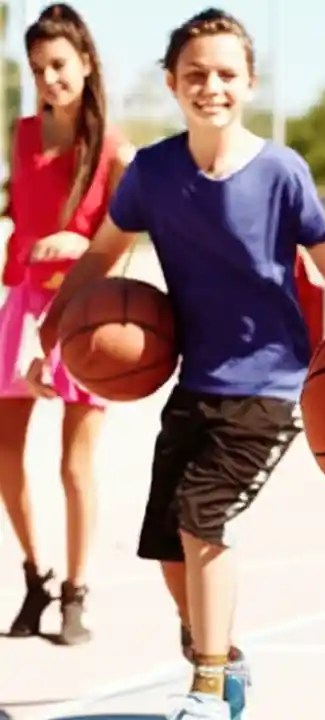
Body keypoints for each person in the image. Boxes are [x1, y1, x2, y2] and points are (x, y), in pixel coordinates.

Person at [34, 9, 325, 720]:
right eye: (196, 74)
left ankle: (207, 685)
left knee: (201, 518)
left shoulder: (280, 171)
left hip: (269, 386)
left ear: (250, 82)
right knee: (164, 542)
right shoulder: (153, 172)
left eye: (226, 74)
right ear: (174, 84)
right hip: (195, 381)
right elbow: (100, 255)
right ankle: (225, 654)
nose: (211, 86)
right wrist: (49, 341)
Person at [0, 2, 131, 646]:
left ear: (85, 64)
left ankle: (77, 593)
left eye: (59, 64)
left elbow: (123, 239)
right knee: (3, 452)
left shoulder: (112, 149)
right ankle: (35, 576)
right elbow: (19, 214)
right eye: (38, 67)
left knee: (74, 466)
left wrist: (78, 248)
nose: (49, 77)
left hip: (86, 312)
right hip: (22, 306)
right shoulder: (22, 136)